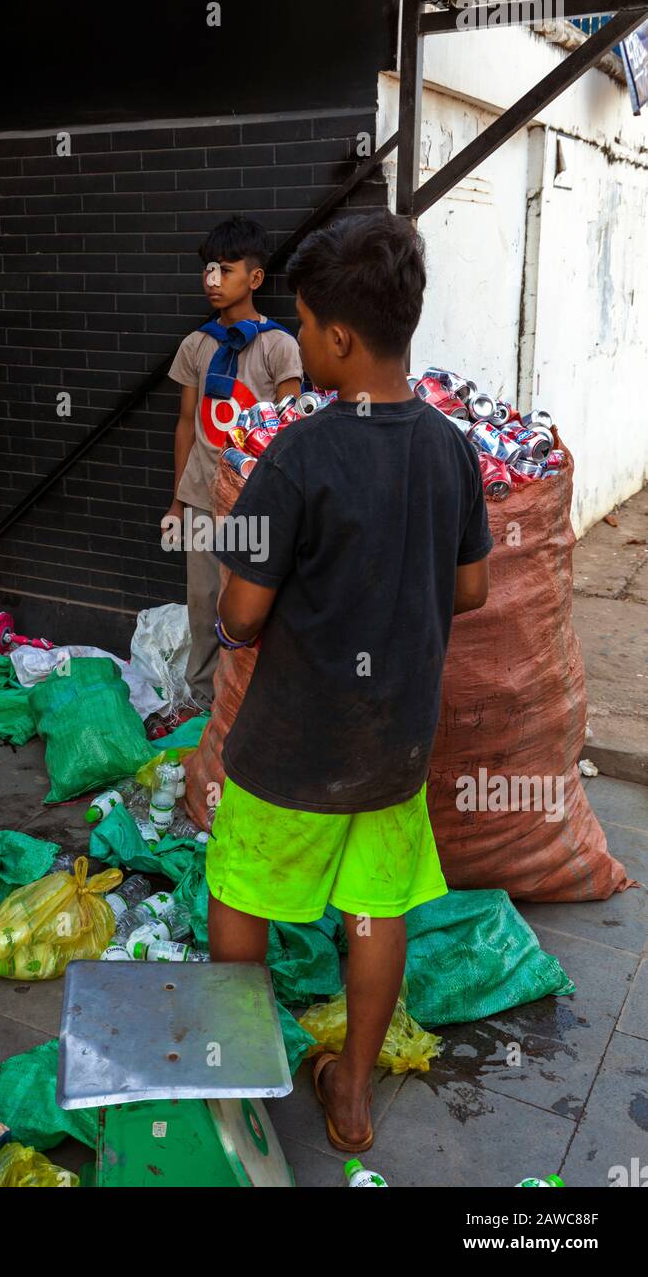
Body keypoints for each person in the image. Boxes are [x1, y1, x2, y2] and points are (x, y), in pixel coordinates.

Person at [204, 210, 492, 1151]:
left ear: (336, 336)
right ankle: (354, 1096)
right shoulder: (449, 448)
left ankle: (242, 1093)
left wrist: (236, 613)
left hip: (292, 742)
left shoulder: (300, 454)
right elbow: (474, 587)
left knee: (243, 895)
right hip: (395, 743)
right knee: (376, 907)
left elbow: (242, 613)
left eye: (303, 324)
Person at [163, 216, 302, 712]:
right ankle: (202, 703)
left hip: (255, 504)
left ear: (256, 278)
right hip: (202, 498)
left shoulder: (279, 347)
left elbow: (290, 429)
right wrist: (178, 503)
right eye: (207, 271)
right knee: (203, 604)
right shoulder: (196, 345)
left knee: (252, 604)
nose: (212, 281)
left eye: (225, 269)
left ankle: (251, 702)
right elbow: (185, 424)